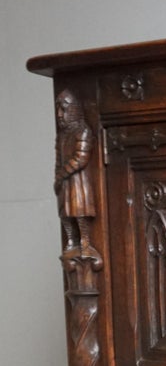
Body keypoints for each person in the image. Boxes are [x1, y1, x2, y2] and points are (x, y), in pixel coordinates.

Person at [55, 89, 96, 258]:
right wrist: (57, 175)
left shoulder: (83, 131)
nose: (59, 114)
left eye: (63, 109)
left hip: (78, 181)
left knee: (79, 211)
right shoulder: (63, 135)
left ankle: (85, 240)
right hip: (65, 181)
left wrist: (62, 174)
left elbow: (81, 157)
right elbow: (58, 157)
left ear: (73, 110)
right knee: (65, 212)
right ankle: (72, 240)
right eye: (58, 109)